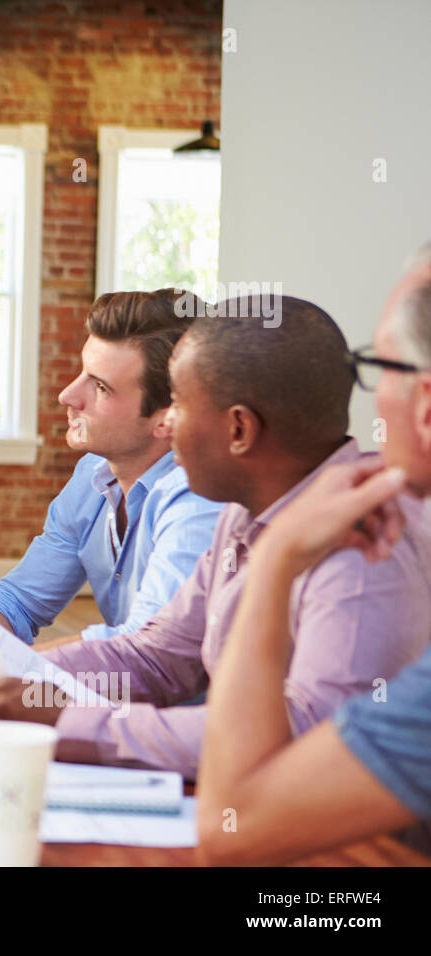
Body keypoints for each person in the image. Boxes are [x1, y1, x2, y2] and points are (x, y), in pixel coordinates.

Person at [0, 296, 431, 779]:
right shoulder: (242, 515)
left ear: (238, 429)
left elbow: (307, 735)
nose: (165, 425)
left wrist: (72, 721)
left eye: (180, 405)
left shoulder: (363, 545)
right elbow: (157, 657)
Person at [0, 289, 223, 701]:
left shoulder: (200, 501)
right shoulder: (93, 476)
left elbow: (139, 657)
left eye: (100, 387)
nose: (68, 395)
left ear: (166, 418)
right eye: (82, 372)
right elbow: (19, 602)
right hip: (113, 713)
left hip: (192, 744)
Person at [198, 253, 431, 863]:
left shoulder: (366, 549)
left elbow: (233, 830)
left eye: (378, 368)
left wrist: (277, 559)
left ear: (426, 406)